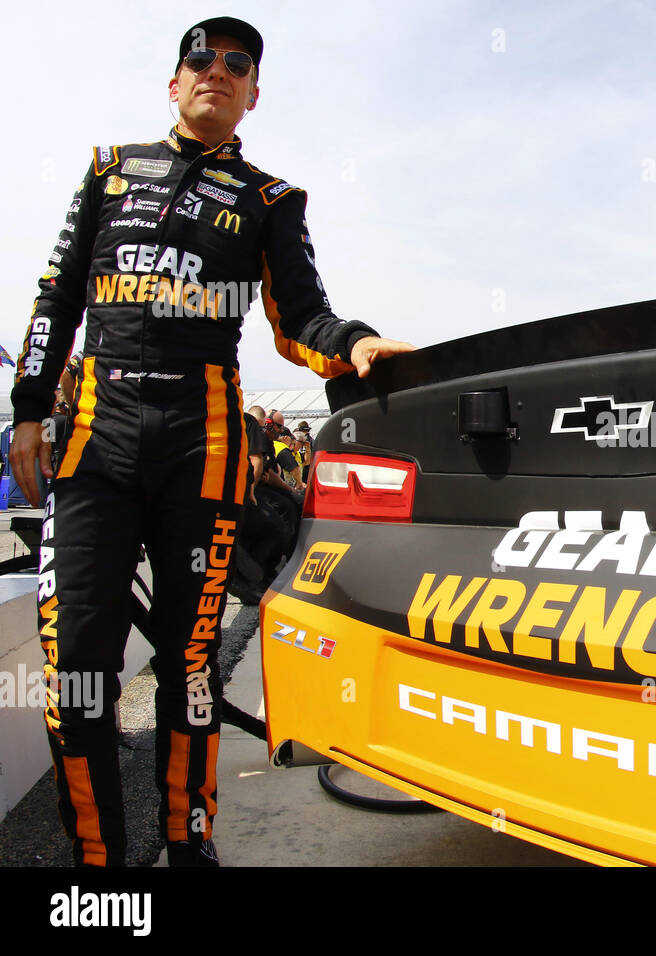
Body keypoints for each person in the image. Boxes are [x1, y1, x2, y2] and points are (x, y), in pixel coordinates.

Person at [6, 16, 414, 867]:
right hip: (93, 443)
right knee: (77, 662)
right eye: (201, 57)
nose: (216, 72)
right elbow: (56, 299)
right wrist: (30, 408)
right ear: (174, 79)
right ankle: (97, 864)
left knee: (189, 667)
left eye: (238, 64)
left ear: (253, 94)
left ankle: (188, 847)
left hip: (205, 450)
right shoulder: (109, 171)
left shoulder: (270, 200)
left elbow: (300, 319)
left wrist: (356, 344)